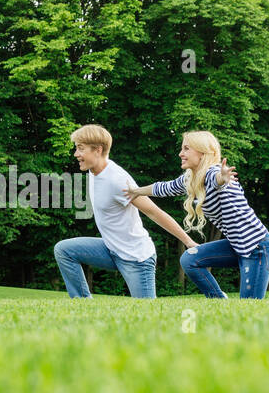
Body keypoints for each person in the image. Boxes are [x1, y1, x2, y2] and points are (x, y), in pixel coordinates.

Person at [124, 130, 269, 301]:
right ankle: (220, 301)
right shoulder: (191, 178)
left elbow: (217, 180)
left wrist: (223, 178)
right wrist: (136, 191)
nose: (180, 153)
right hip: (236, 245)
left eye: (186, 149)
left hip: (257, 247)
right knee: (190, 259)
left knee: (251, 309)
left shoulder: (212, 173)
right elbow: (165, 188)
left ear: (202, 153)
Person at [53, 124, 197, 298]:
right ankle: (82, 304)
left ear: (98, 150)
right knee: (64, 250)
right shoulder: (93, 171)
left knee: (146, 317)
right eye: (77, 149)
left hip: (136, 258)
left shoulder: (117, 180)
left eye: (81, 149)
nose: (76, 154)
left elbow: (153, 212)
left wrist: (188, 242)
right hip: (110, 249)